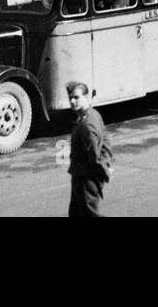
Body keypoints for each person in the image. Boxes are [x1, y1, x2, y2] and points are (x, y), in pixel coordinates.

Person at [66, 82, 112, 217]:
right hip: (80, 174)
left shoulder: (86, 124)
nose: (72, 101)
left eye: (76, 97)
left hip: (86, 177)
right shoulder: (93, 114)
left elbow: (94, 155)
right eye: (70, 98)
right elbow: (106, 139)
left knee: (89, 214)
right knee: (75, 213)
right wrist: (106, 162)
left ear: (86, 97)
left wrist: (104, 171)